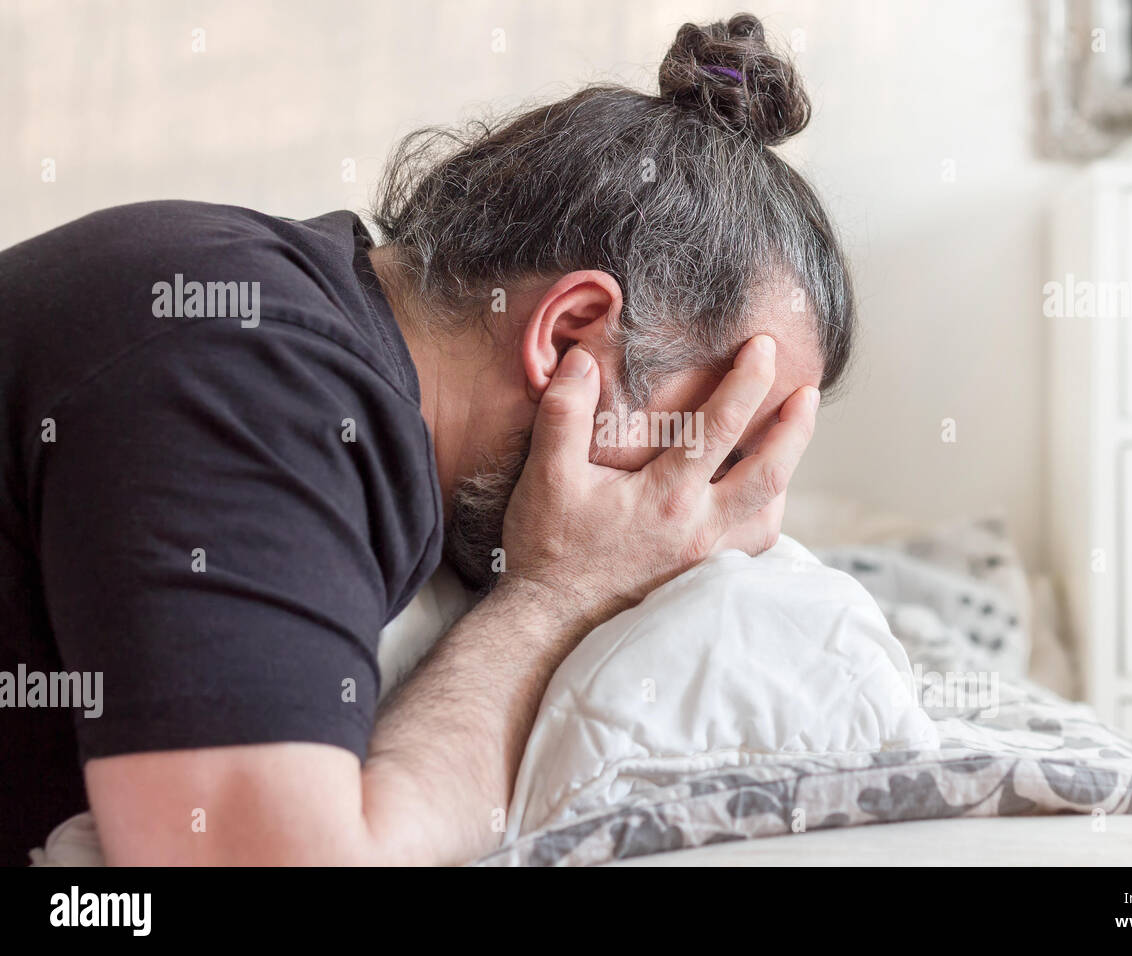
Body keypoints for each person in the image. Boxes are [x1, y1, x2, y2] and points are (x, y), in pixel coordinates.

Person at [0, 13, 853, 865]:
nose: (726, 529)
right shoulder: (249, 375)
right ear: (570, 338)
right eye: (716, 444)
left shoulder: (310, 348)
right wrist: (559, 597)